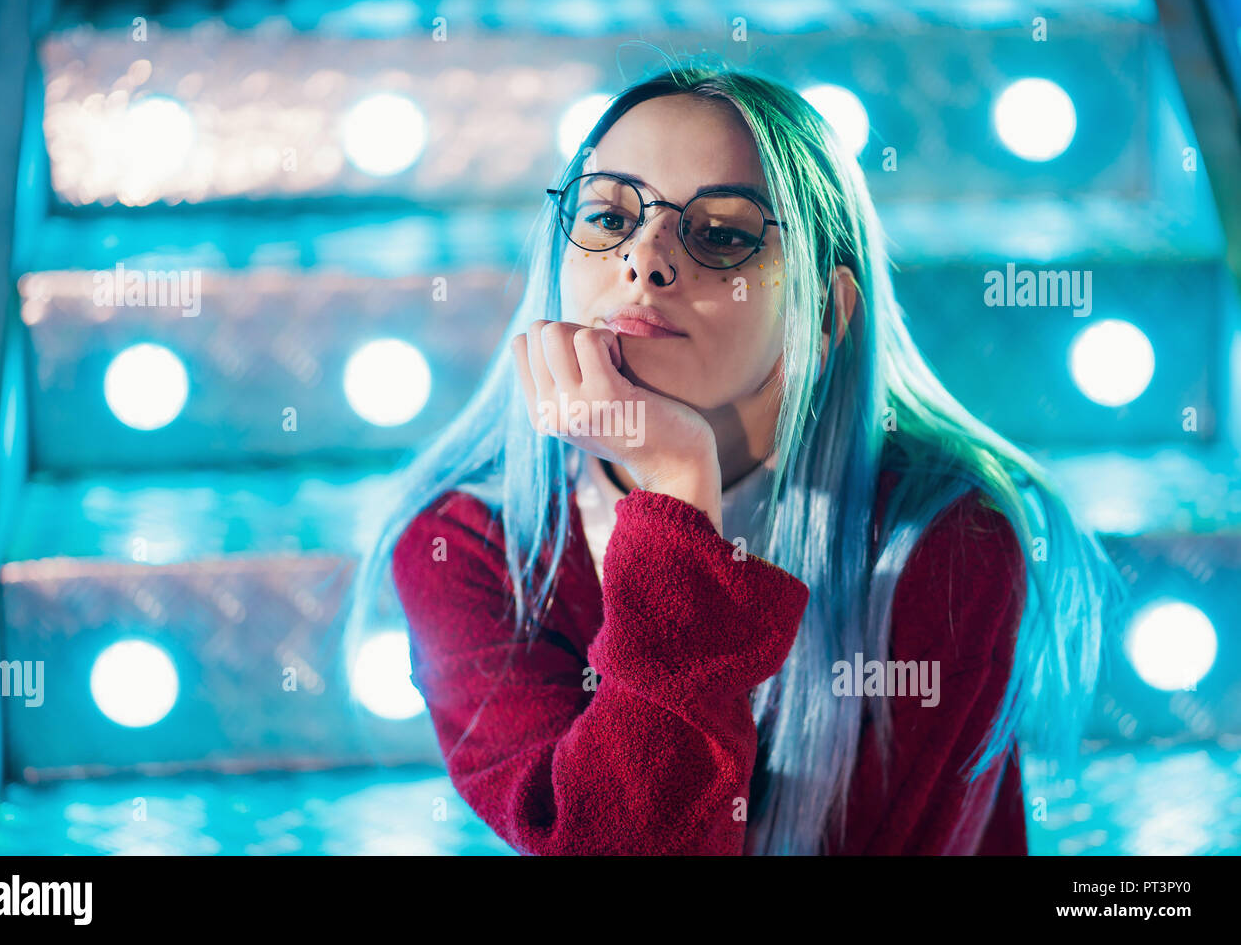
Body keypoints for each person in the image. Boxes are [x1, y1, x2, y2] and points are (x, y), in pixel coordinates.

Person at [342, 56, 1128, 855]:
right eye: (610, 217)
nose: (644, 258)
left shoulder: (946, 542)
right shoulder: (470, 548)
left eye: (721, 235)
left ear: (825, 314)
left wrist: (677, 497)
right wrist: (678, 489)